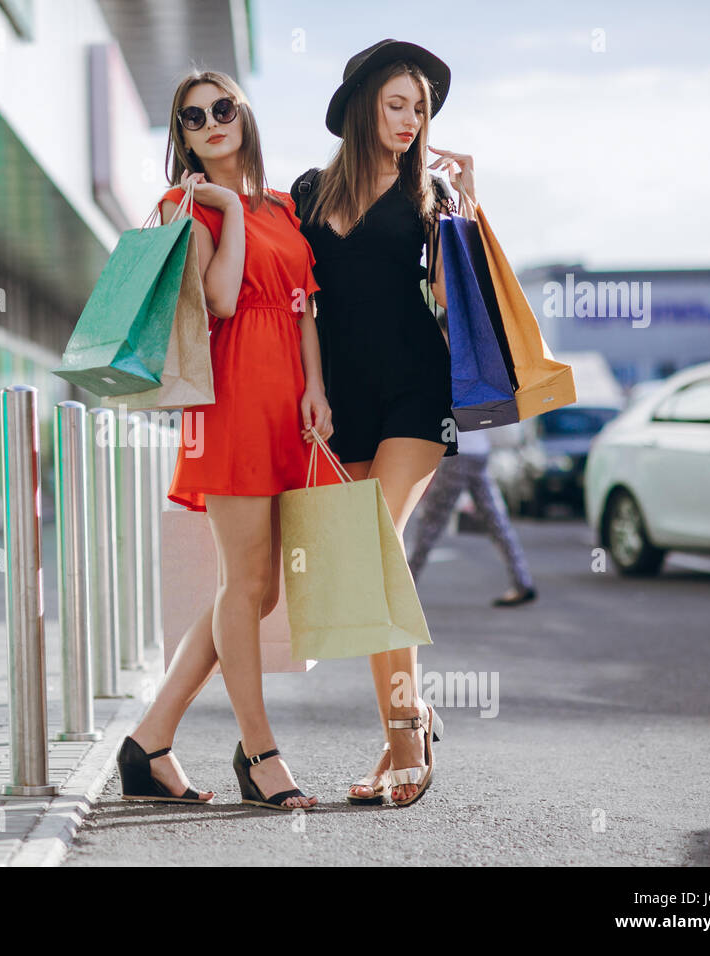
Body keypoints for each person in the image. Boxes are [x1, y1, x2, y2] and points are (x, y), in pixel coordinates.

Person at [116, 69, 334, 811]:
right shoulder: (184, 205)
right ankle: (260, 753)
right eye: (192, 118)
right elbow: (219, 298)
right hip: (230, 402)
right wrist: (227, 215)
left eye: (223, 108)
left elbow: (303, 308)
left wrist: (316, 388)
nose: (211, 122)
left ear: (245, 114)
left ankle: (149, 742)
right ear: (180, 137)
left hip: (283, 402)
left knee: (256, 587)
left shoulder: (285, 206)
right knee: (243, 584)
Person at [291, 39, 474, 807]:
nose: (409, 120)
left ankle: (406, 736)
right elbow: (296, 301)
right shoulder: (306, 191)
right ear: (366, 105)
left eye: (420, 109)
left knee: (374, 547)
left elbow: (468, 291)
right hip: (343, 400)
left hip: (415, 389)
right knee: (365, 565)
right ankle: (408, 722)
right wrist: (311, 389)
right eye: (397, 104)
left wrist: (471, 197)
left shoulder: (429, 194)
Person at [406, 419, 538, 607]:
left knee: (430, 524)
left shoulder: (454, 387)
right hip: (480, 452)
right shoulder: (485, 388)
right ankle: (522, 581)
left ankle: (403, 588)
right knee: (497, 521)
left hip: (457, 453)